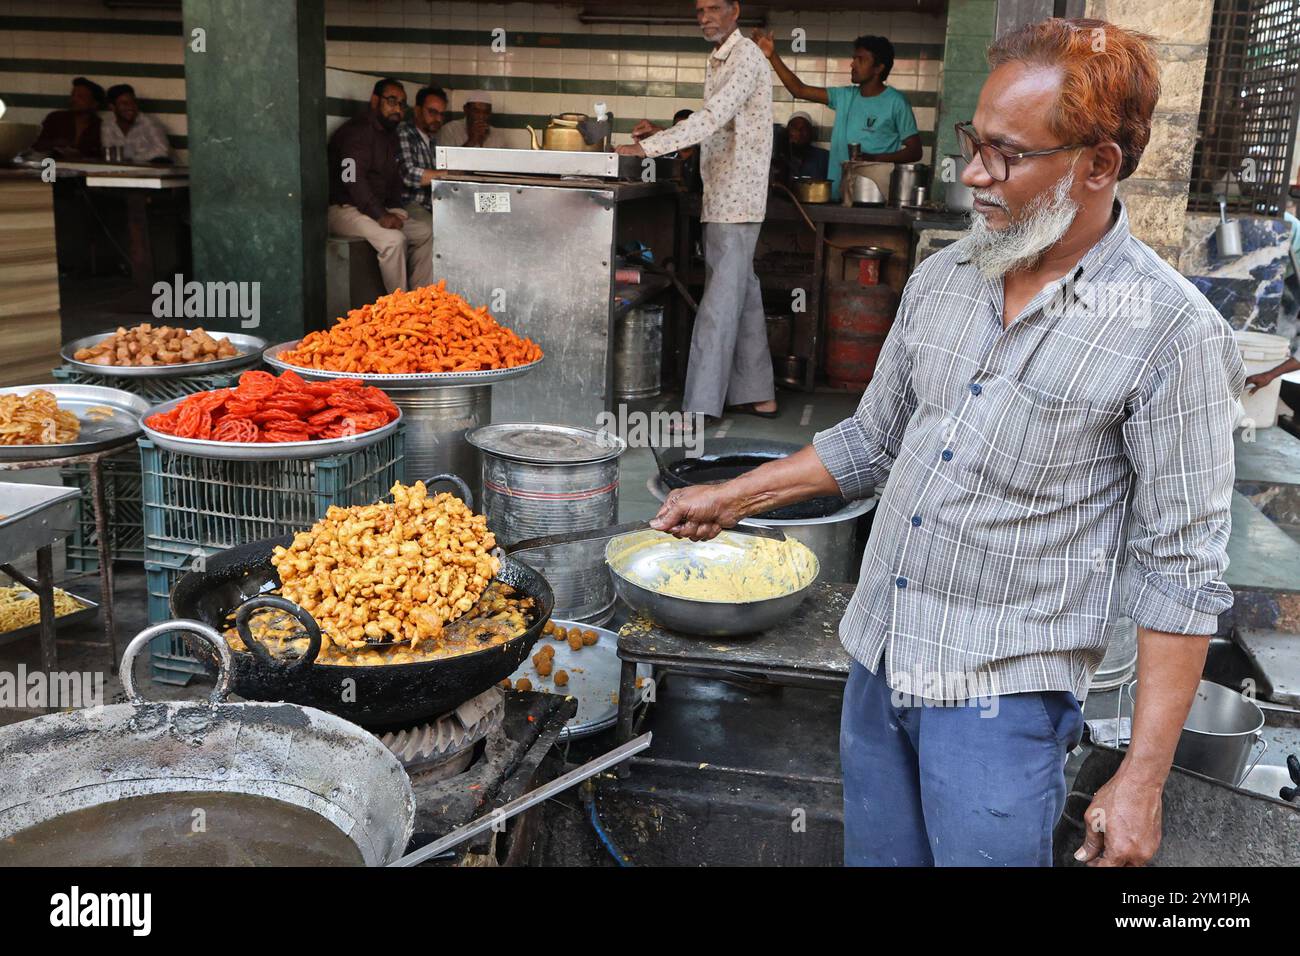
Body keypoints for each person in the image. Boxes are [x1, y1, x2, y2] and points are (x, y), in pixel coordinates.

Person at [649, 18, 1245, 868]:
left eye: (1005, 154)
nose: (972, 172)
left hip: (998, 701)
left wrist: (1142, 780)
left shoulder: (1170, 333)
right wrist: (732, 498)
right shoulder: (945, 277)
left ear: (1098, 165)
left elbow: (1182, 570)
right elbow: (874, 440)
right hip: (880, 655)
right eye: (974, 141)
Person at [617, 0, 777, 423]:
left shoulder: (746, 56)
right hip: (725, 194)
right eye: (699, 9)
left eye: (712, 8)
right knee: (743, 294)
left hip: (736, 198)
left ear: (736, 10)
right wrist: (664, 133)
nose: (703, 16)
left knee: (721, 301)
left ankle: (702, 405)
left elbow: (714, 116)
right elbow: (718, 124)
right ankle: (760, 395)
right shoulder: (721, 58)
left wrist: (648, 147)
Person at [754, 31, 920, 200]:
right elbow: (799, 90)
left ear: (879, 68)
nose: (852, 64)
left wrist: (876, 159)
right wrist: (772, 55)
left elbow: (915, 151)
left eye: (860, 60)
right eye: (854, 58)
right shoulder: (844, 96)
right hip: (837, 196)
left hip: (874, 199)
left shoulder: (896, 102)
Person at [327, 77, 433, 294]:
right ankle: (400, 310)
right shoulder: (355, 132)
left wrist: (394, 208)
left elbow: (393, 179)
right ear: (375, 101)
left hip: (374, 209)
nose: (397, 109)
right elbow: (352, 180)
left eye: (402, 104)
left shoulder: (390, 135)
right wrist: (381, 215)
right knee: (394, 241)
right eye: (391, 101)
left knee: (426, 232)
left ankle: (421, 301)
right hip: (344, 209)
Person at [398, 85, 448, 219]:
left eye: (441, 114)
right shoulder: (405, 133)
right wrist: (449, 174)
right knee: (433, 231)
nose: (437, 119)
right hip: (408, 205)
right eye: (432, 112)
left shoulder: (431, 139)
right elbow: (408, 174)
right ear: (417, 111)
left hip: (430, 206)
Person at [30, 77, 104, 159]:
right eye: (73, 95)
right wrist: (54, 143)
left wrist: (81, 156)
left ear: (94, 104)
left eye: (80, 97)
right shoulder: (56, 118)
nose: (74, 99)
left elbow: (101, 157)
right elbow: (36, 146)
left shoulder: (100, 126)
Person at [100, 84, 173, 164]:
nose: (131, 107)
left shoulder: (149, 123)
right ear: (112, 107)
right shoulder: (108, 125)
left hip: (152, 172)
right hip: (120, 172)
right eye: (124, 103)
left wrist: (133, 159)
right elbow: (109, 153)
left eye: (133, 102)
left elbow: (163, 151)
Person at [438, 91, 508, 149]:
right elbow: (446, 161)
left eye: (486, 112)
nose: (481, 116)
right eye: (476, 111)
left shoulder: (498, 136)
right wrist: (471, 141)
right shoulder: (450, 130)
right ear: (466, 110)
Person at [786, 111, 829, 181]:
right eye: (794, 128)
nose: (799, 132)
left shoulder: (823, 157)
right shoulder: (780, 157)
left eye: (803, 129)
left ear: (810, 132)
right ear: (788, 132)